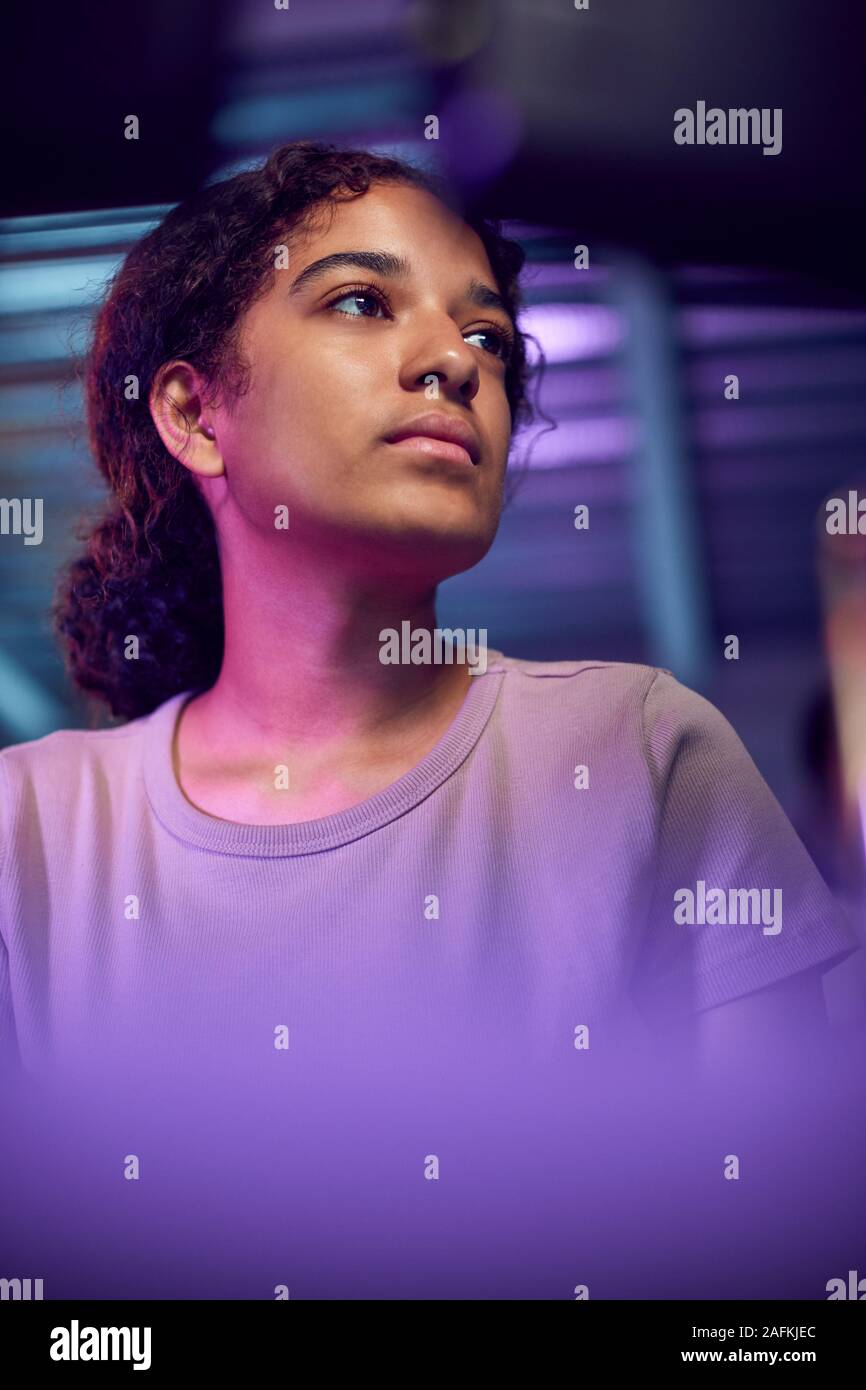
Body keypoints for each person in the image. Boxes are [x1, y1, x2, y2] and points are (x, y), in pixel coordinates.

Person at [0, 140, 858, 1091]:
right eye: (361, 301)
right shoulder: (27, 830)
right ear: (195, 417)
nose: (456, 360)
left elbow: (770, 1208)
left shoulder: (643, 754)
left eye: (487, 337)